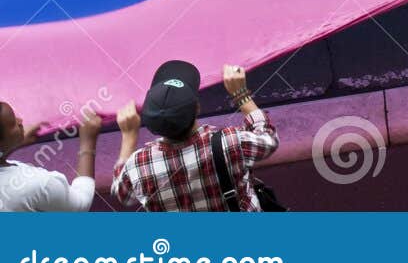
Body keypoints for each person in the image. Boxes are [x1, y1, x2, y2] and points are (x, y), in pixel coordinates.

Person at [110, 60, 279, 211]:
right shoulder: (230, 143)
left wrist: (128, 136)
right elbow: (268, 139)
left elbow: (123, 194)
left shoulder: (137, 166)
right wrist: (241, 95)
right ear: (197, 107)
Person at [0, 101, 101, 211]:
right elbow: (81, 205)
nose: (21, 121)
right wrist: (88, 142)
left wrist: (12, 144)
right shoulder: (38, 184)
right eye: (14, 123)